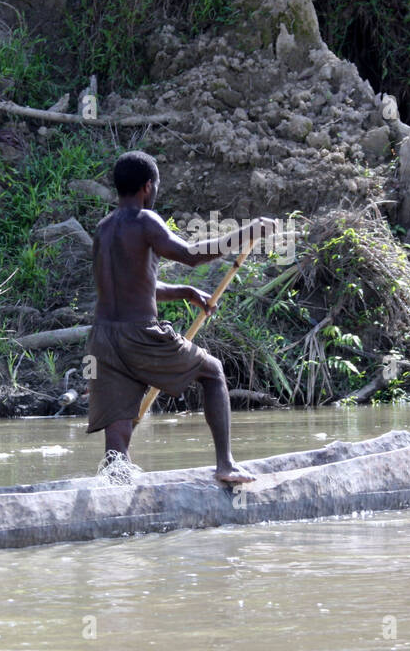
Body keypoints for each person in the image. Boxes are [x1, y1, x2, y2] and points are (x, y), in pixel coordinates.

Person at [84, 150, 277, 485]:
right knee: (213, 372)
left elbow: (131, 284)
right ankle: (225, 464)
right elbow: (190, 255)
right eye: (156, 186)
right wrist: (246, 232)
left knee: (118, 429)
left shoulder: (103, 229)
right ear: (148, 186)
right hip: (140, 335)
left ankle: (115, 487)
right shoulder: (145, 220)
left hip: (101, 340)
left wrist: (185, 292)